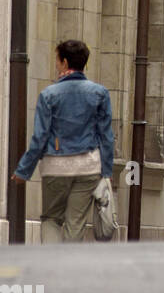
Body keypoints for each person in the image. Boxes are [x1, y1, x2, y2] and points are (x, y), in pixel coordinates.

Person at [10, 39, 114, 243]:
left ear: (65, 62)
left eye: (57, 60)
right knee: (76, 222)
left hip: (56, 166)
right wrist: (107, 172)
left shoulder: (49, 95)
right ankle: (67, 269)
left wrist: (23, 170)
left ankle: (51, 266)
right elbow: (106, 136)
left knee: (51, 218)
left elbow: (40, 137)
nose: (56, 64)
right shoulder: (99, 93)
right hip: (88, 167)